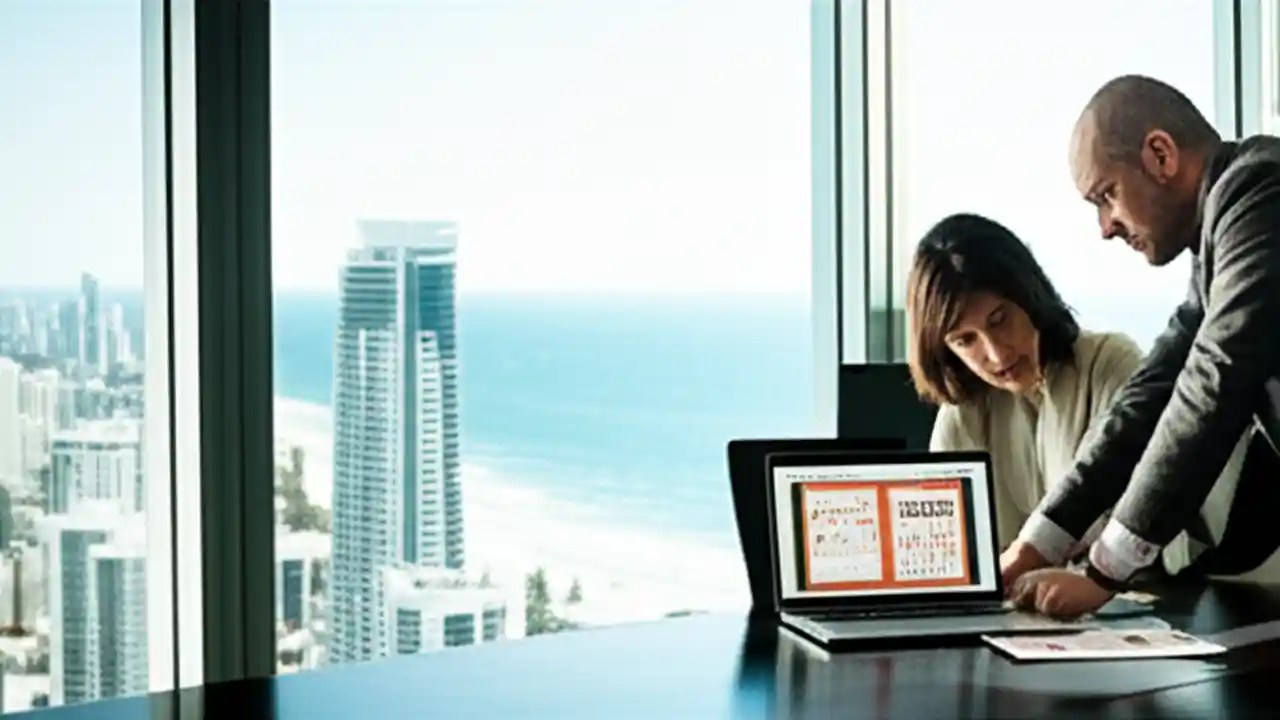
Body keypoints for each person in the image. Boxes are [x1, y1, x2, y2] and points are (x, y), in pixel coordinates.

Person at [1004, 74, 1280, 619]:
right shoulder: (1223, 234)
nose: (1106, 227)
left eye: (1106, 195)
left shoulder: (1261, 194)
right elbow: (1151, 393)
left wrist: (1105, 570)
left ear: (1160, 154)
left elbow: (1214, 382)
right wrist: (1038, 541)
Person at [907, 212, 1217, 573]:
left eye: (999, 319)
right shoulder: (962, 414)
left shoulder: (1110, 364)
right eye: (966, 340)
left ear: (1027, 293)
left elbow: (1130, 527)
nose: (996, 354)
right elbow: (946, 555)